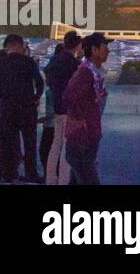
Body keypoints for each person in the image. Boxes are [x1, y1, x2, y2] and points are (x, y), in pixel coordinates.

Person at [0, 33, 45, 182]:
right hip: (27, 108)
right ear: (20, 45)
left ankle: (9, 173)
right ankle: (31, 173)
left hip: (7, 109)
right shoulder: (28, 61)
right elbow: (39, 83)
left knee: (9, 143)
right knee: (30, 143)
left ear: (6, 46)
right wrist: (35, 98)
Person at [62, 32, 111, 185]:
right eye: (104, 47)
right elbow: (69, 97)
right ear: (94, 50)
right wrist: (82, 120)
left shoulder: (94, 74)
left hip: (86, 137)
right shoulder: (85, 74)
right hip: (82, 138)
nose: (108, 50)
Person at [43, 30, 82, 185]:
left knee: (56, 144)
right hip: (69, 109)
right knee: (67, 146)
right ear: (77, 45)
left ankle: (50, 178)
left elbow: (47, 75)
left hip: (57, 107)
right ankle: (64, 180)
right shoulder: (72, 64)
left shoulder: (55, 60)